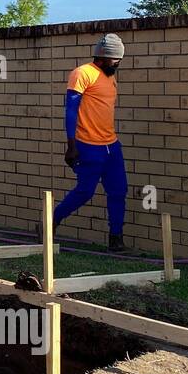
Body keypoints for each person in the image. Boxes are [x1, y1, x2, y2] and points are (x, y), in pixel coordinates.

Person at [52, 33, 129, 251]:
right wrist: (71, 145)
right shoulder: (82, 73)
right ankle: (52, 221)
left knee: (119, 190)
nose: (118, 63)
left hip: (111, 146)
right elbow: (70, 111)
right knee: (85, 191)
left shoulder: (110, 76)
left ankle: (116, 238)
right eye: (115, 59)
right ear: (103, 57)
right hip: (87, 145)